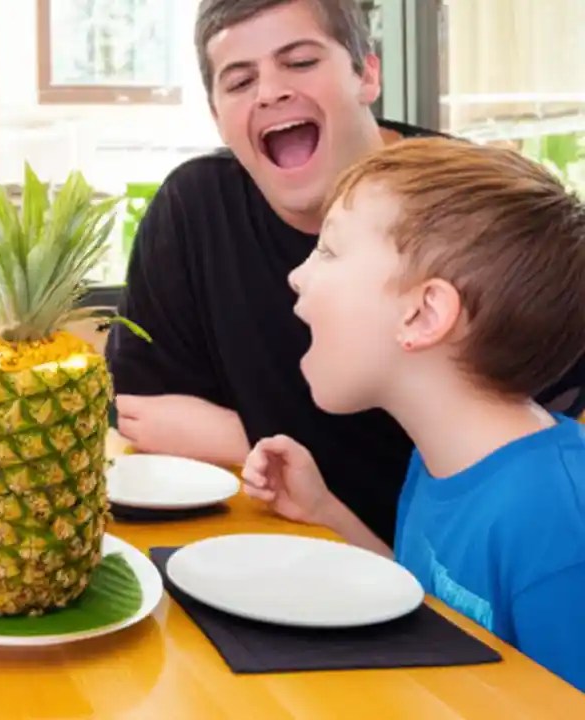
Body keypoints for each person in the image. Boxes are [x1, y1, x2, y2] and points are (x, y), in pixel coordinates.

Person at [105, 0, 585, 544]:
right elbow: (140, 412)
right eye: (239, 81)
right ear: (217, 116)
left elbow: (501, 443)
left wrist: (244, 435)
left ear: (368, 73)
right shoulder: (193, 208)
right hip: (313, 542)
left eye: (300, 62)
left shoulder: (471, 208)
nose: (270, 91)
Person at [241, 137, 585, 692]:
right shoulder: (440, 457)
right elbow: (429, 607)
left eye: (328, 251)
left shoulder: (556, 525)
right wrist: (326, 510)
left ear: (424, 314)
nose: (297, 276)